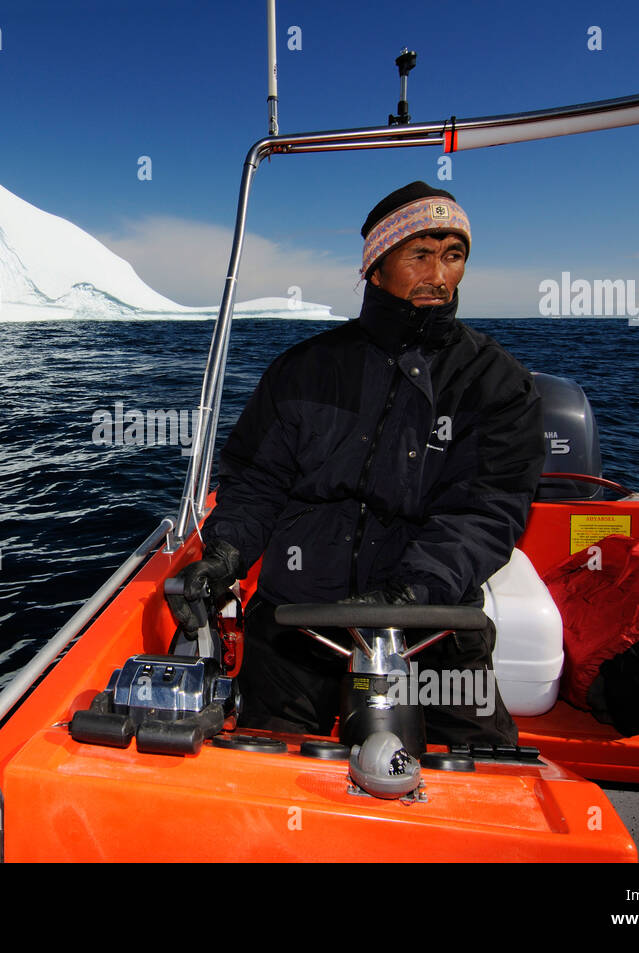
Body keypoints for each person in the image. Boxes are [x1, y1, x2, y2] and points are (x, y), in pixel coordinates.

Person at [167, 181, 545, 745]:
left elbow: (487, 511)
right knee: (263, 769)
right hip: (300, 616)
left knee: (491, 774)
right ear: (375, 267)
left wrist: (411, 593)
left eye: (453, 255)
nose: (438, 276)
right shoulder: (303, 370)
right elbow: (257, 481)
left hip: (431, 625)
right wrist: (225, 552)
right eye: (419, 254)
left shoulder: (494, 382)